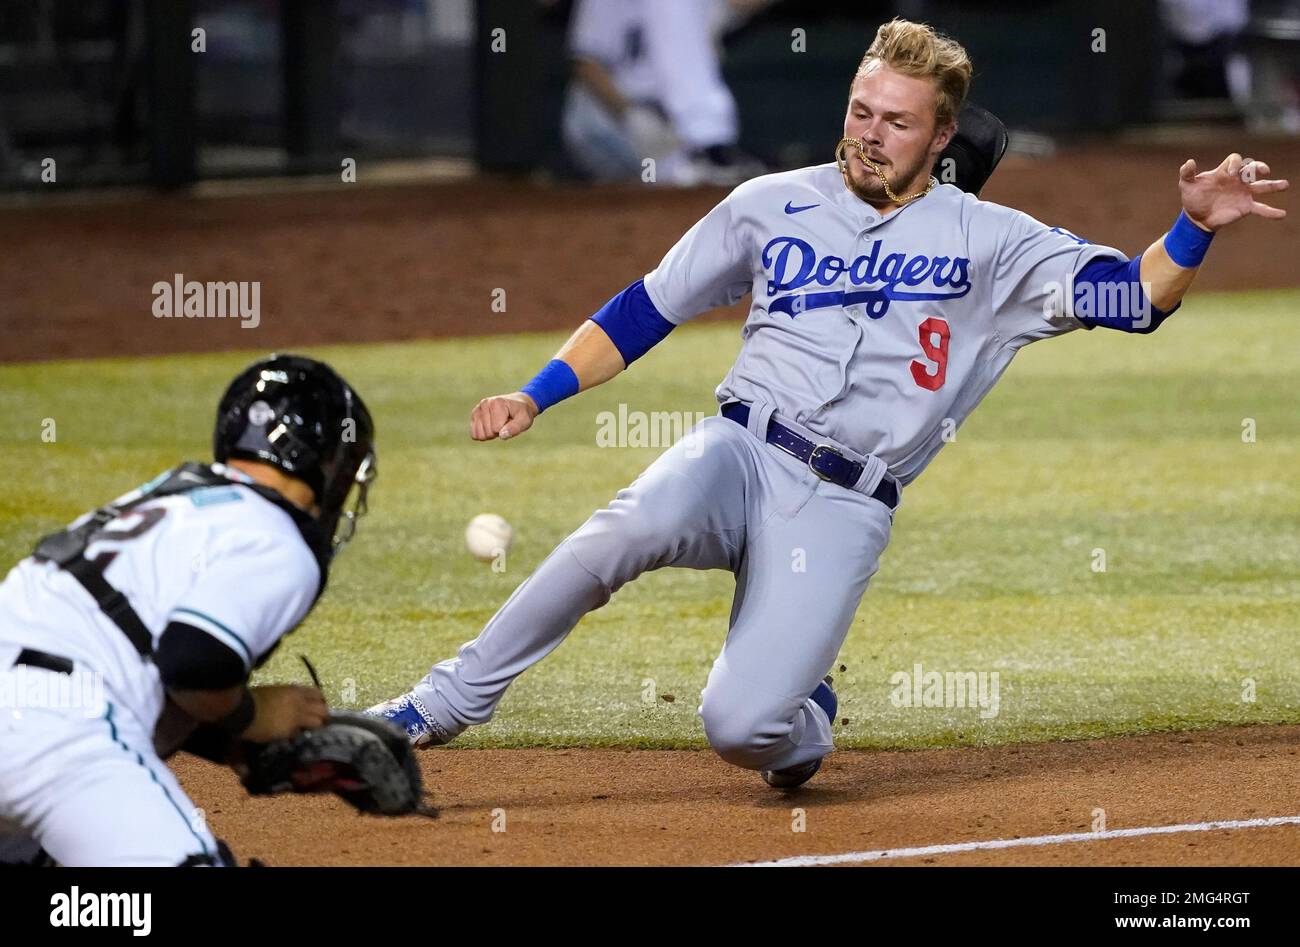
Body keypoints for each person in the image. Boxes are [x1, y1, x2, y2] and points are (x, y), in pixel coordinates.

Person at [371, 18, 1288, 788]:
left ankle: (804, 715)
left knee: (740, 729)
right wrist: (537, 394)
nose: (870, 133)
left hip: (844, 501)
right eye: (860, 111)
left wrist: (1193, 228)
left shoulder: (995, 243)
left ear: (941, 136)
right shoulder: (770, 203)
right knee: (612, 537)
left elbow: (1133, 301)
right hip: (736, 449)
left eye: (897, 122)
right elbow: (647, 306)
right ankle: (435, 705)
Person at [0, 354, 376, 864]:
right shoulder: (279, 536)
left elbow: (138, 659)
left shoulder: (170, 499)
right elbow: (192, 662)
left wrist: (231, 746)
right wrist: (253, 714)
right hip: (58, 736)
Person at [561, 0, 766, 185]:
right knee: (676, 170)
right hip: (614, 111)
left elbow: (740, 5)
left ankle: (691, 167)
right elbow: (585, 63)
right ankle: (680, 170)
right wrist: (630, 116)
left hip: (673, 121)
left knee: (689, 173)